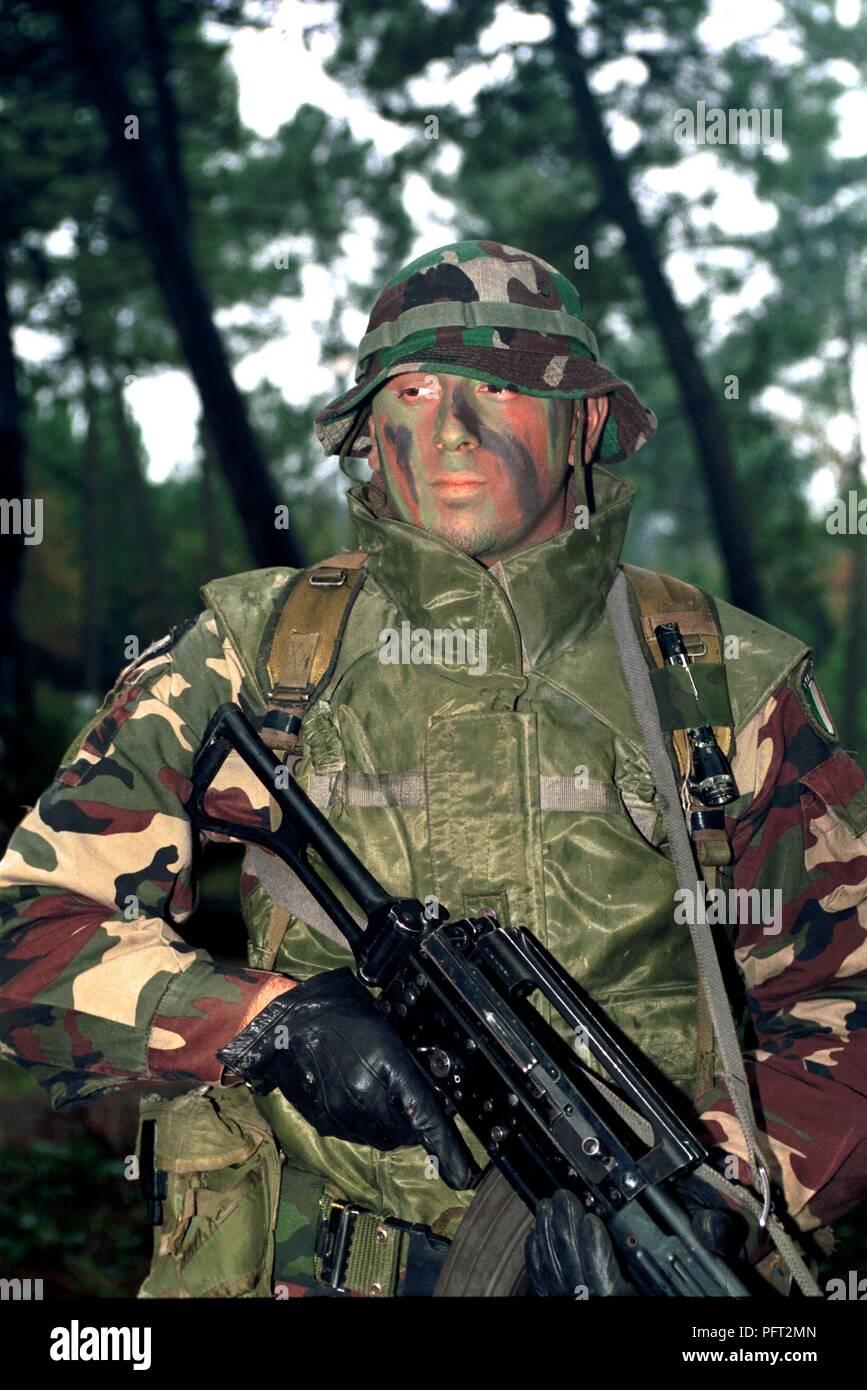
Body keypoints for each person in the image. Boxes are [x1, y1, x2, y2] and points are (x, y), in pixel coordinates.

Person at [1, 241, 865, 1299]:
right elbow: (29, 929)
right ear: (370, 434)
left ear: (585, 421)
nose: (453, 430)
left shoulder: (728, 683)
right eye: (414, 391)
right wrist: (262, 1021)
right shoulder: (253, 658)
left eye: (501, 385)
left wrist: (724, 1184)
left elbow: (849, 996)